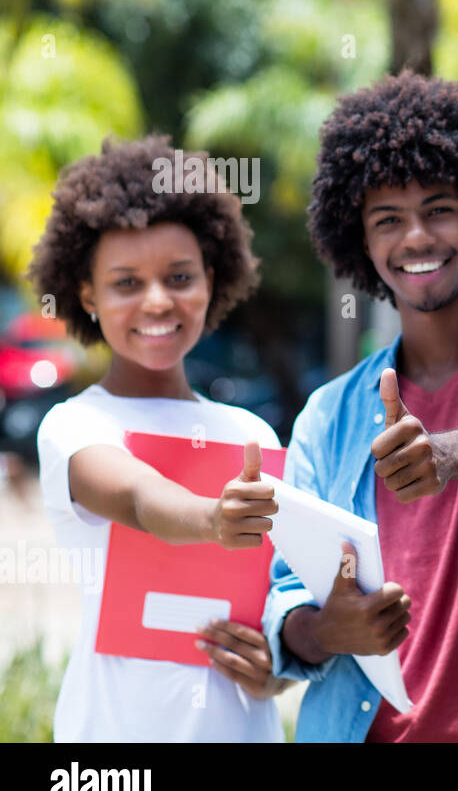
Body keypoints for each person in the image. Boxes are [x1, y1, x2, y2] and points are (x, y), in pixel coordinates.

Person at [263, 72, 458, 742]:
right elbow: (283, 597)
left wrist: (453, 454)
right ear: (362, 243)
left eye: (439, 210)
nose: (416, 238)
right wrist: (324, 629)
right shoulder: (328, 415)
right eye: (388, 221)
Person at [29, 135, 288, 742]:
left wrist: (278, 667)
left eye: (178, 277)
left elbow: (282, 599)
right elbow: (141, 498)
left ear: (210, 280)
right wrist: (214, 519)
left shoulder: (251, 433)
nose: (156, 301)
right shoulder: (74, 426)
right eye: (125, 283)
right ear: (87, 294)